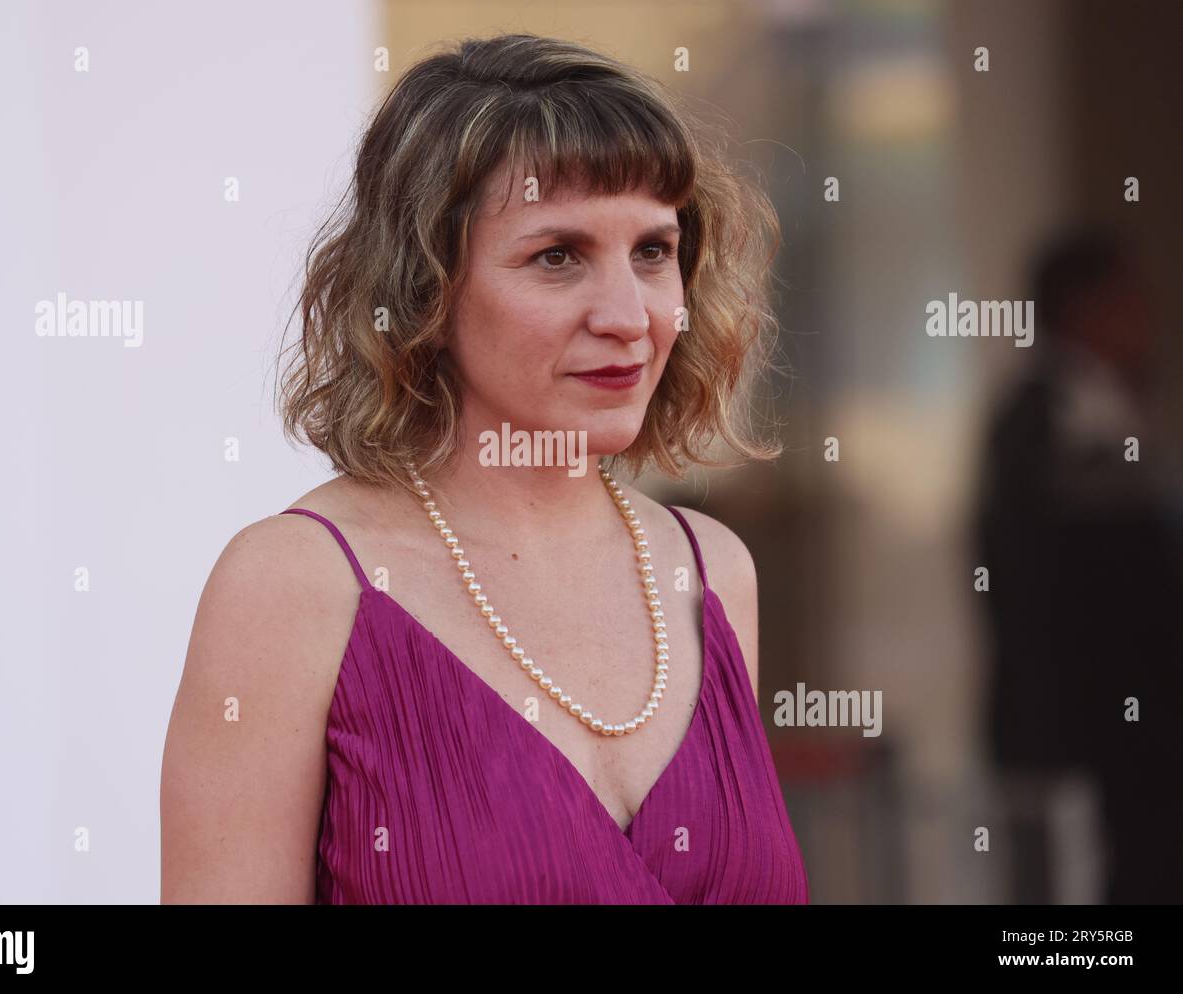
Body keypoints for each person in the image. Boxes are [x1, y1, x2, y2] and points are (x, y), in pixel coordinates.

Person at [160, 33, 809, 904]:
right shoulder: (295, 586)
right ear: (426, 290)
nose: (630, 315)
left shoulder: (712, 570)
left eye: (653, 251)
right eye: (557, 256)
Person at [974, 223, 1183, 903]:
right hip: (1083, 730)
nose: (1146, 318)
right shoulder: (1047, 417)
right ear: (1085, 306)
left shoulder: (1106, 407)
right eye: (1130, 299)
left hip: (1110, 730)